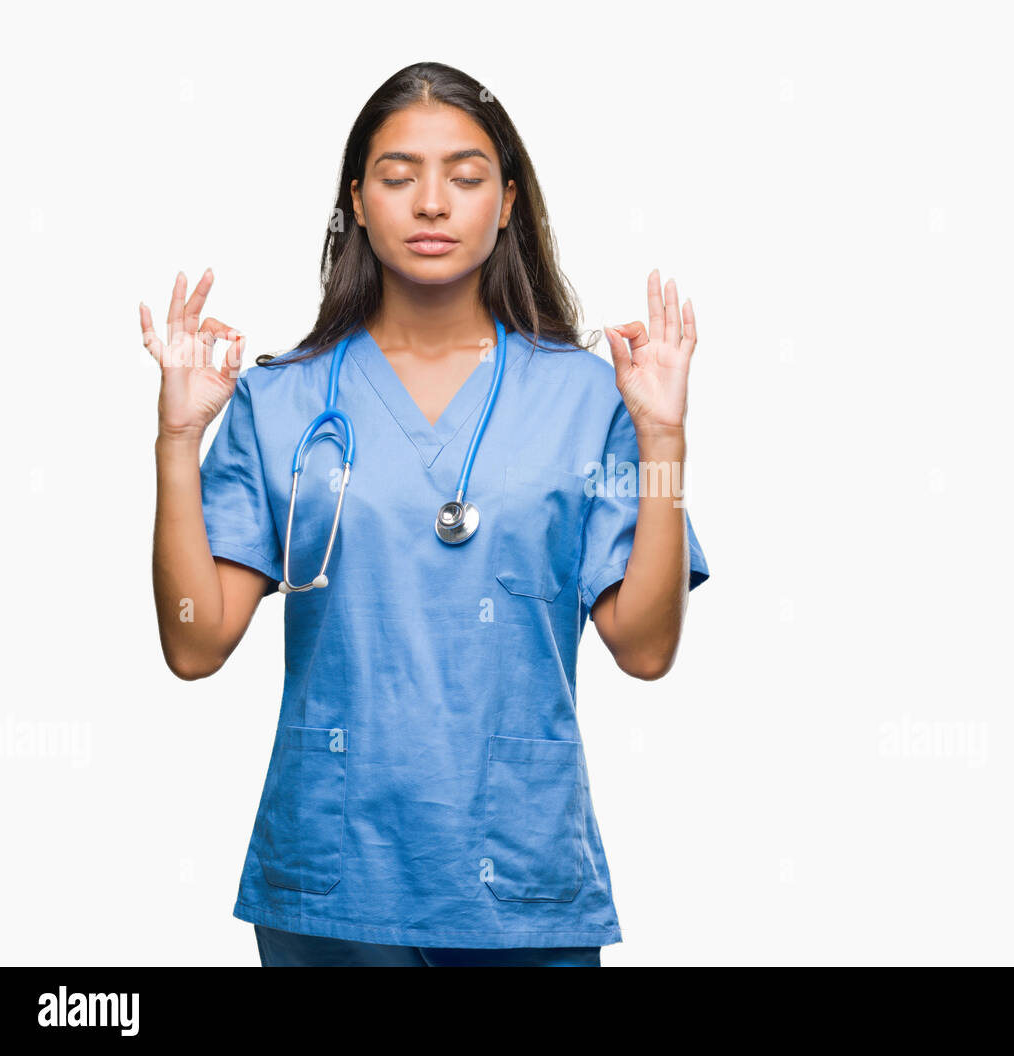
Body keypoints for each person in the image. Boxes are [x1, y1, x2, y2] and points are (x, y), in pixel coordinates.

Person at [143, 61, 709, 967]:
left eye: (466, 176)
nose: (433, 203)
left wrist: (665, 440)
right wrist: (177, 439)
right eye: (399, 177)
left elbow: (645, 649)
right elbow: (192, 642)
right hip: (332, 880)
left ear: (510, 201)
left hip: (516, 878)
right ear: (358, 203)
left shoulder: (588, 397)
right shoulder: (279, 399)